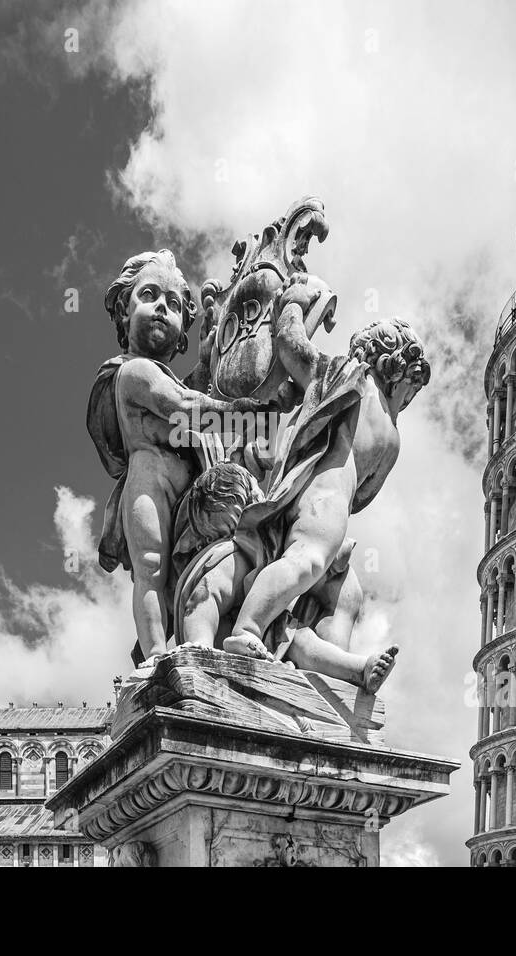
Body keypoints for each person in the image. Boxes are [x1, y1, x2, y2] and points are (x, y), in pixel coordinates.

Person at [221, 281, 431, 660]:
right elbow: (292, 345)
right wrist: (296, 303)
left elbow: (364, 494)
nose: (410, 396)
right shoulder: (355, 380)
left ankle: (328, 671)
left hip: (336, 505)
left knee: (345, 594)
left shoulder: (387, 429)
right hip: (325, 496)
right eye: (411, 384)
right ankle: (246, 629)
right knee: (309, 561)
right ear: (395, 367)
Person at [86, 250, 270, 666]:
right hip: (148, 483)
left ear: (182, 329)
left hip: (187, 490)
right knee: (151, 571)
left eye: (172, 305)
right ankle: (154, 658)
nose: (161, 309)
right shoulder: (133, 373)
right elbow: (186, 406)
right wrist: (253, 414)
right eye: (149, 296)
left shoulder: (170, 374)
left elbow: (199, 390)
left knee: (178, 575)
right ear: (122, 309)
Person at [173, 462, 398, 693]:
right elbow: (203, 600)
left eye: (229, 528)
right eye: (220, 534)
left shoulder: (265, 552)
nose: (227, 537)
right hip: (232, 643)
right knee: (301, 642)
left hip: (274, 634)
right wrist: (200, 646)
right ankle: (357, 669)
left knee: (304, 642)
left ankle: (360, 669)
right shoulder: (233, 555)